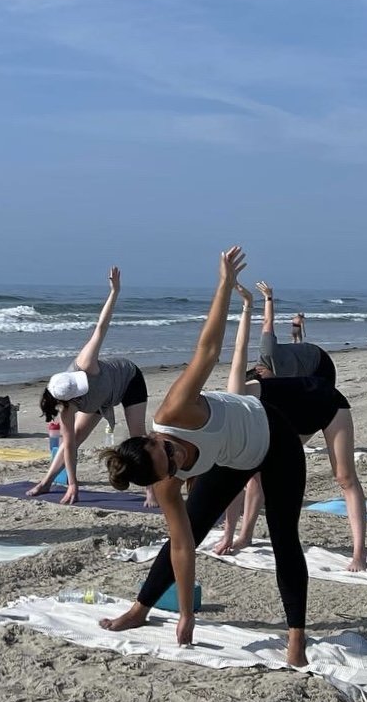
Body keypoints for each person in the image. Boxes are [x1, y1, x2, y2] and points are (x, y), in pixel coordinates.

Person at [98, 248, 309, 667]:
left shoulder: (176, 409)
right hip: (231, 461)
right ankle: (140, 608)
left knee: (283, 535)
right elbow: (182, 547)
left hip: (274, 438)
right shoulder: (166, 479)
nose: (177, 460)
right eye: (172, 470)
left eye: (169, 452)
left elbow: (208, 348)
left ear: (153, 438)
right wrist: (187, 614)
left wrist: (225, 284)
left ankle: (296, 638)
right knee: (187, 530)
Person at [213, 281, 367, 571]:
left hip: (328, 404)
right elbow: (233, 486)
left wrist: (249, 306)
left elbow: (239, 350)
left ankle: (359, 552)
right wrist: (228, 535)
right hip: (293, 419)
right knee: (254, 476)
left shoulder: (239, 394)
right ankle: (245, 535)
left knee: (345, 478)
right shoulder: (234, 427)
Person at [29, 266, 151, 505]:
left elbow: (101, 327)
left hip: (129, 380)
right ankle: (47, 481)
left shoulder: (85, 363)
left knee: (137, 436)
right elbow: (69, 446)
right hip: (101, 397)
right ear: (72, 400)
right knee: (74, 436)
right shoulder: (65, 408)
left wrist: (114, 292)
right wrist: (73, 484)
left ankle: (151, 489)